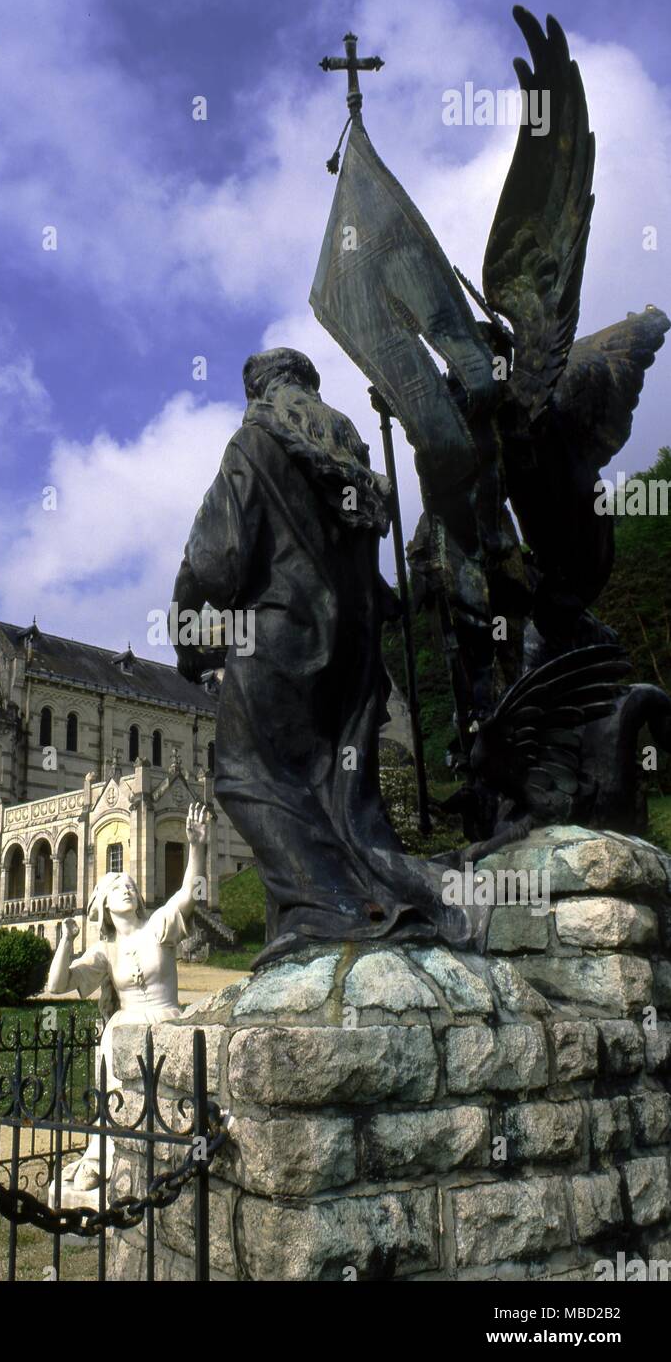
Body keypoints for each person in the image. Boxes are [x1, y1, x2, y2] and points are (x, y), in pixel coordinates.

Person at [172, 346, 487, 963]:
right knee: (341, 787)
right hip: (356, 653)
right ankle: (381, 898)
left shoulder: (255, 444)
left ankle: (329, 906)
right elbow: (371, 577)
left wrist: (186, 620)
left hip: (276, 640)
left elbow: (216, 556)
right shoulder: (353, 463)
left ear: (260, 392)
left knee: (245, 775)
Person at [47, 802, 208, 1191]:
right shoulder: (105, 951)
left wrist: (197, 847)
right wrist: (67, 941)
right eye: (117, 886)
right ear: (102, 903)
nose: (127, 889)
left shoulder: (158, 926)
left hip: (168, 1023)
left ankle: (173, 1156)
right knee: (112, 1095)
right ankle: (101, 1158)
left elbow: (187, 893)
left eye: (131, 886)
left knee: (172, 1106)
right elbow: (57, 985)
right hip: (125, 1030)